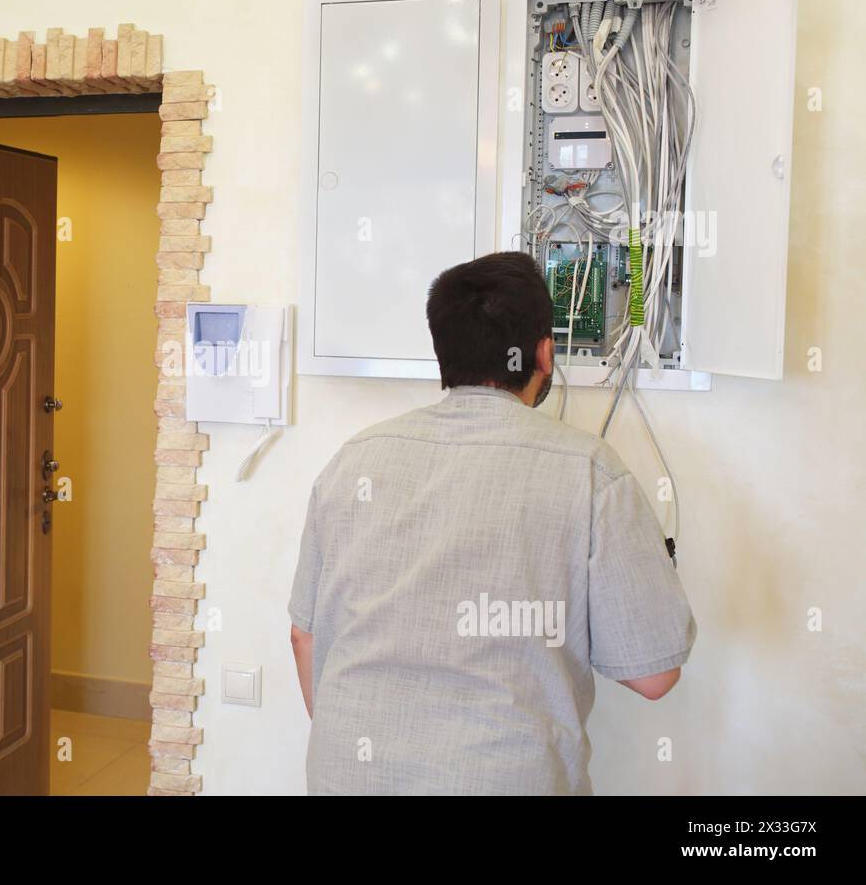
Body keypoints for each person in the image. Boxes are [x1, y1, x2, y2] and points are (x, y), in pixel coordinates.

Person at [288, 251, 695, 795]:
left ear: (443, 353)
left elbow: (304, 634)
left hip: (347, 775)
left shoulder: (354, 460)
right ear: (544, 354)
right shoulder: (590, 472)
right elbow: (654, 675)